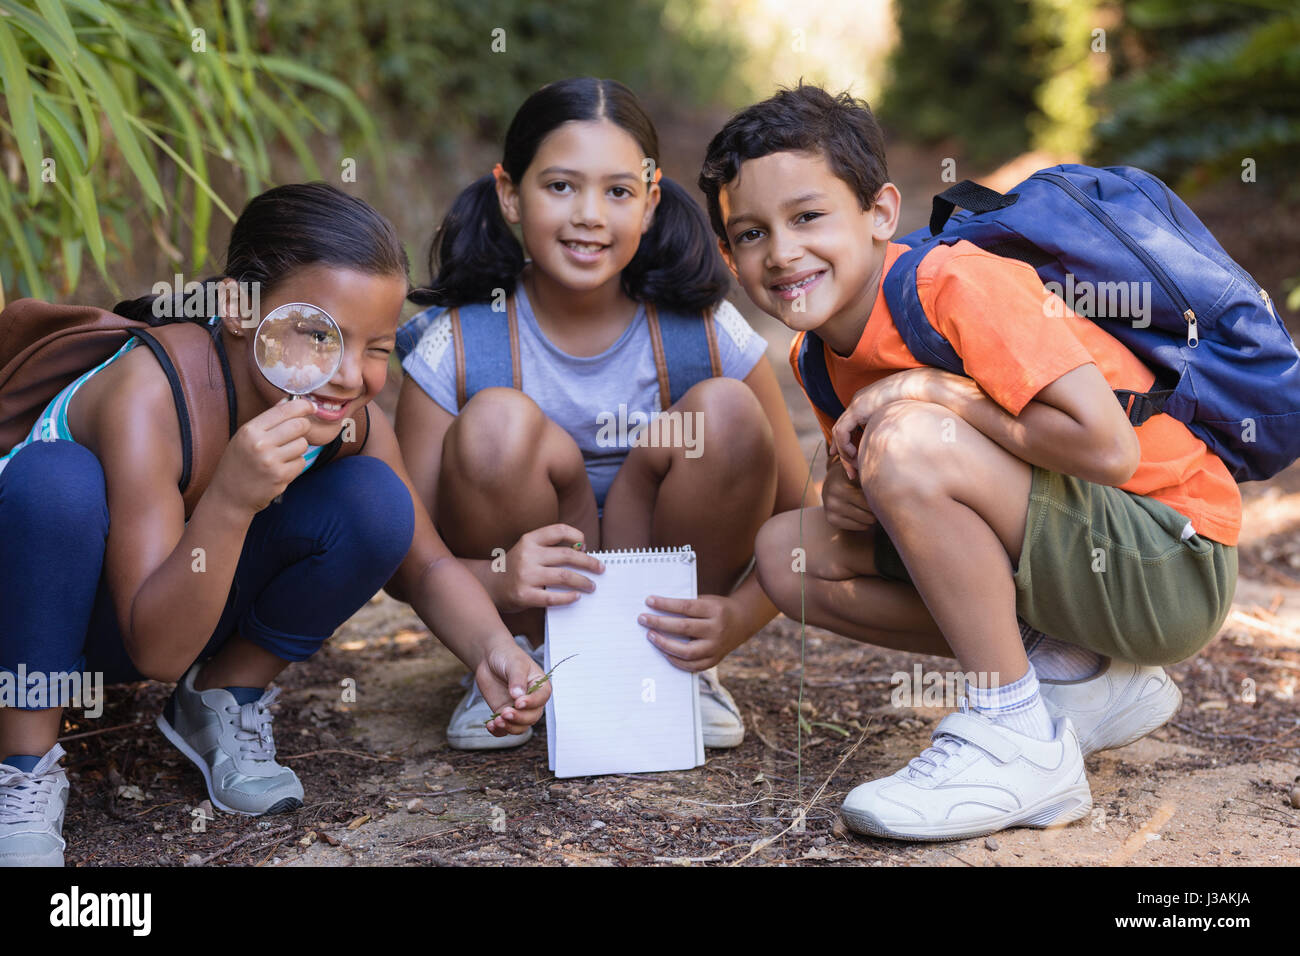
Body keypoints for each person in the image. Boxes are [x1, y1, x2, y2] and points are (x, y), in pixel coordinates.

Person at [699, 84, 1239, 841]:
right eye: (751, 234)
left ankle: (1013, 732)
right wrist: (844, 495)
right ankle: (1080, 675)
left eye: (808, 216)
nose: (783, 252)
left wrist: (930, 391)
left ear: (881, 213)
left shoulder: (952, 284)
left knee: (909, 441)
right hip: (1080, 563)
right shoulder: (818, 355)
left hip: (1171, 559)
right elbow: (905, 505)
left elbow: (1108, 449)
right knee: (787, 556)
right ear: (727, 256)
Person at [0, 183, 547, 867]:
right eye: (318, 335)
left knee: (376, 501)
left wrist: (493, 648)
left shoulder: (342, 419)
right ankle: (19, 767)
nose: (350, 375)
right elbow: (154, 653)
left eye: (378, 348)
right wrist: (231, 498)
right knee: (56, 484)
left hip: (158, 609)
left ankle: (219, 700)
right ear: (237, 307)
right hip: (36, 614)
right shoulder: (153, 393)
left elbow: (425, 561)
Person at [395, 77, 810, 751]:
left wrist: (736, 617)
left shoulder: (706, 330)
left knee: (726, 415)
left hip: (665, 581)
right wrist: (498, 580)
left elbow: (804, 516)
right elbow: (404, 554)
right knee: (496, 422)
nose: (590, 214)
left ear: (649, 203)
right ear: (510, 195)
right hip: (520, 606)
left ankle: (676, 663)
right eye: (560, 186)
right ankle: (509, 662)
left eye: (617, 192)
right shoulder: (456, 342)